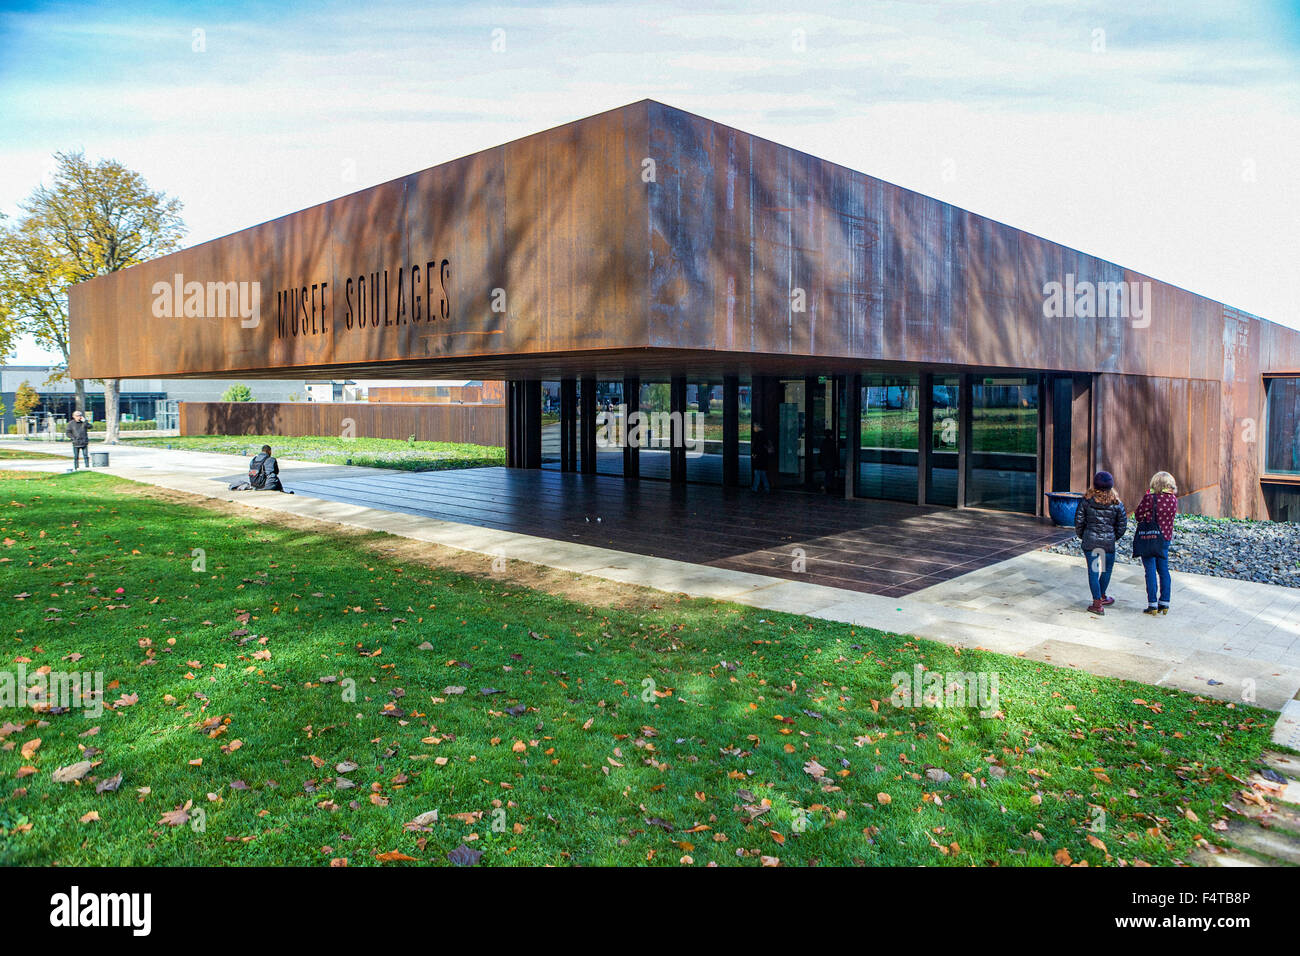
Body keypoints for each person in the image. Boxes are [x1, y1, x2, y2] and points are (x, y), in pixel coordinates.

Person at [1074, 470, 1127, 615]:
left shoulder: (1086, 501)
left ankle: (1097, 603)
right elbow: (1122, 525)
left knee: (1093, 571)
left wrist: (1084, 536)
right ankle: (1101, 596)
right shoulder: (1116, 503)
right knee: (1105, 570)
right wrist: (1112, 537)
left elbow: (1079, 522)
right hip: (1107, 544)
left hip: (1091, 544)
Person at [1135, 471, 1178, 615]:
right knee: (1163, 570)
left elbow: (1138, 515)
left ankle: (1152, 604)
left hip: (1149, 538)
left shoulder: (1150, 498)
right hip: (1165, 538)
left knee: (1150, 570)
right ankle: (1164, 603)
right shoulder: (1173, 499)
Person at [750, 426, 771, 492]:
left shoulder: (757, 436)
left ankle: (755, 488)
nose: (753, 428)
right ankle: (766, 488)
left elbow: (755, 448)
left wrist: (753, 455)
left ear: (758, 427)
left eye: (754, 427)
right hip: (764, 458)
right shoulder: (765, 436)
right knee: (762, 474)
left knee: (757, 473)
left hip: (758, 458)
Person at [818, 428, 838, 494]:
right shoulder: (832, 442)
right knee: (829, 473)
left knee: (827, 473)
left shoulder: (823, 442)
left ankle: (826, 485)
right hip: (830, 460)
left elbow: (821, 452)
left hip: (825, 460)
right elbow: (833, 453)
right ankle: (827, 485)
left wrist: (820, 460)